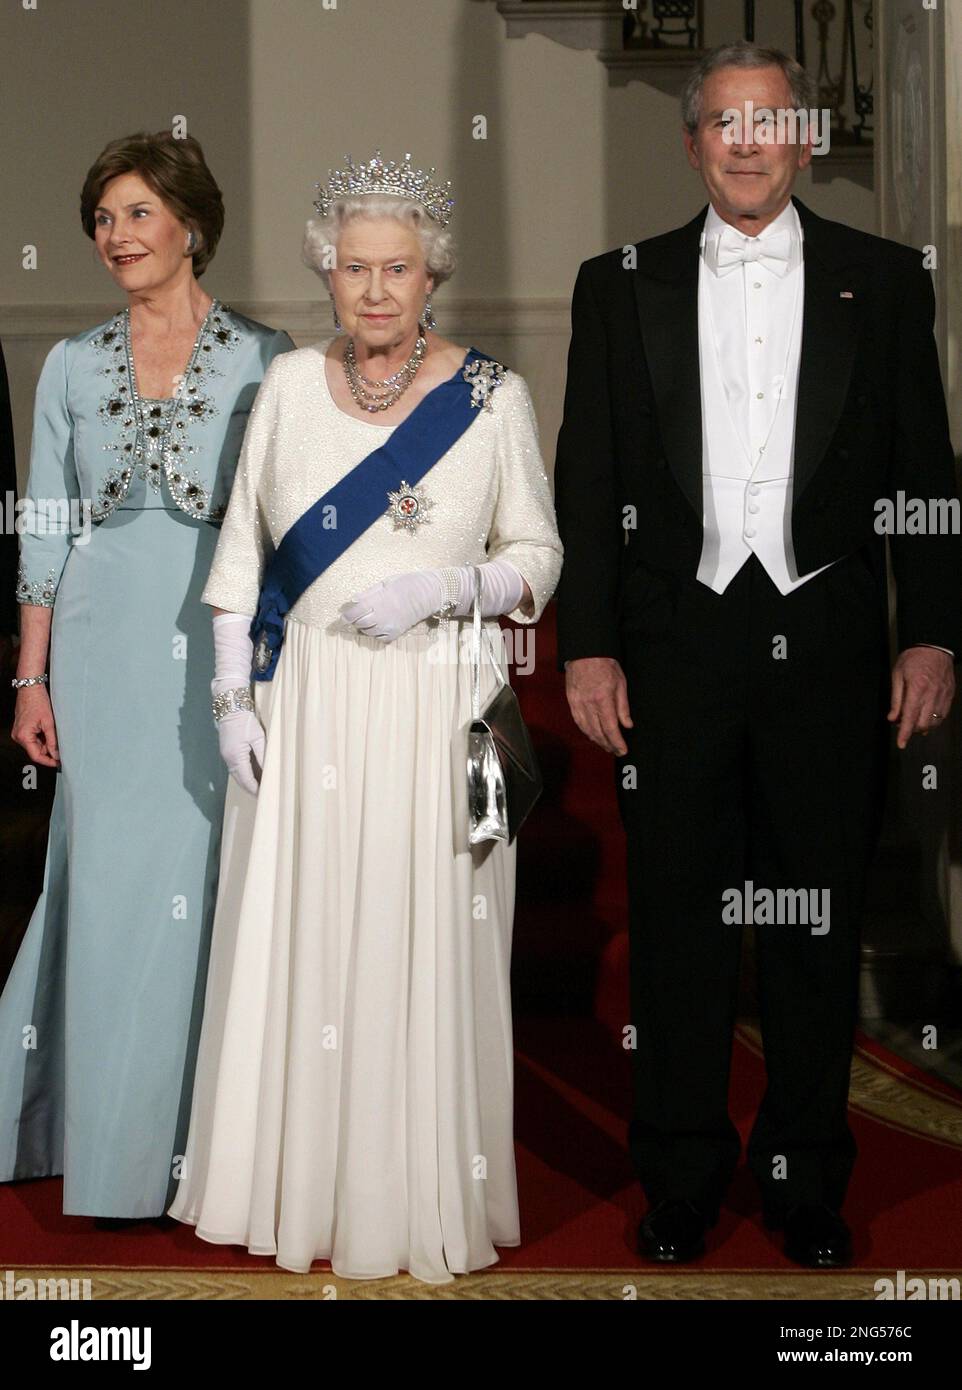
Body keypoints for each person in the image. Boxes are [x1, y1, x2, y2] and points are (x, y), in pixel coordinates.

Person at [554, 42, 961, 1268]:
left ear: (803, 141)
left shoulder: (880, 279)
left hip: (825, 643)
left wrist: (928, 627)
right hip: (672, 643)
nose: (746, 143)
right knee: (676, 920)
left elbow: (924, 468)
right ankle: (680, 1179)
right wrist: (587, 648)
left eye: (769, 121)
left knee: (813, 923)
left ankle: (803, 1179)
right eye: (724, 123)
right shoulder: (614, 284)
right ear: (692, 144)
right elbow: (588, 479)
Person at [168, 151, 563, 1283]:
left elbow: (539, 555)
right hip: (310, 704)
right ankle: (299, 1189)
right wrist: (230, 699)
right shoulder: (290, 387)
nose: (376, 290)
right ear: (326, 274)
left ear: (432, 274)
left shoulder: (491, 397)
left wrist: (446, 586)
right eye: (354, 268)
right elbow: (240, 557)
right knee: (309, 941)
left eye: (397, 268)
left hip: (436, 704)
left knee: (418, 941)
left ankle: (412, 1195)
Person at [0, 131, 294, 1218]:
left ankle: (198, 1153)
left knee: (202, 882)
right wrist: (30, 679)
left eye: (135, 213)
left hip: (214, 642)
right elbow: (44, 523)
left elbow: (283, 525)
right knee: (109, 882)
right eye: (101, 218)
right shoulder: (69, 364)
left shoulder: (270, 358)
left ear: (191, 226)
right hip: (99, 645)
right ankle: (106, 1149)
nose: (114, 236)